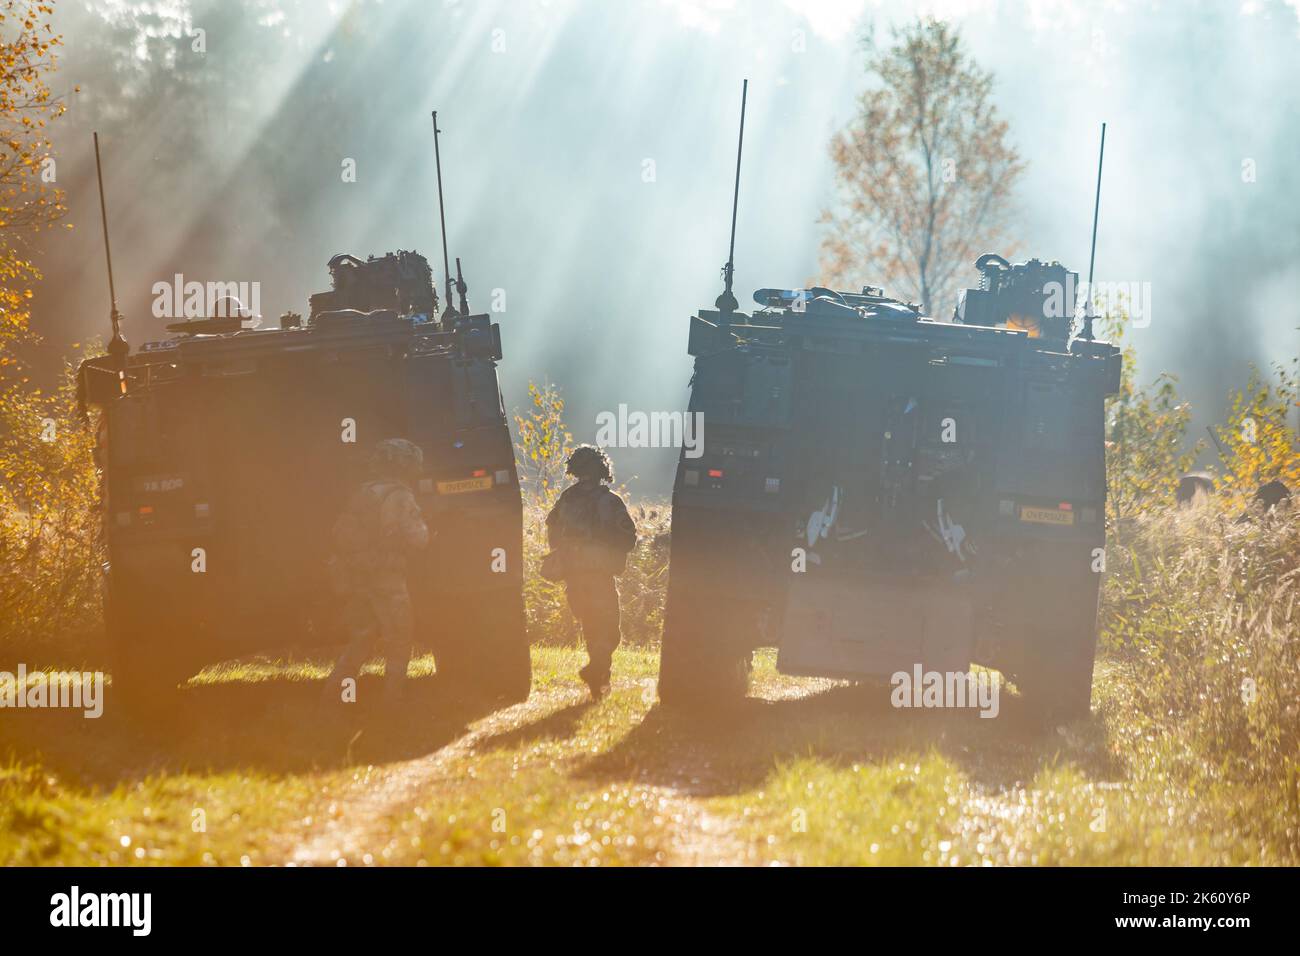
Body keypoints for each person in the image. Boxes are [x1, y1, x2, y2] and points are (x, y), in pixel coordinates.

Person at [323, 438, 430, 707]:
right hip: (388, 578)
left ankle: (333, 696)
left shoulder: (364, 491)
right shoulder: (400, 496)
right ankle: (393, 701)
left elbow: (341, 531)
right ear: (405, 465)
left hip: (360, 576)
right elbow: (418, 538)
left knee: (361, 638)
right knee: (399, 637)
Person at [545, 445, 637, 698]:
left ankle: (598, 682)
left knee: (590, 626)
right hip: (599, 574)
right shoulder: (609, 501)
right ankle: (597, 668)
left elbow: (552, 533)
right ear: (601, 470)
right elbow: (628, 538)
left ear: (574, 470)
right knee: (608, 629)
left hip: (573, 574)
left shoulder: (566, 499)